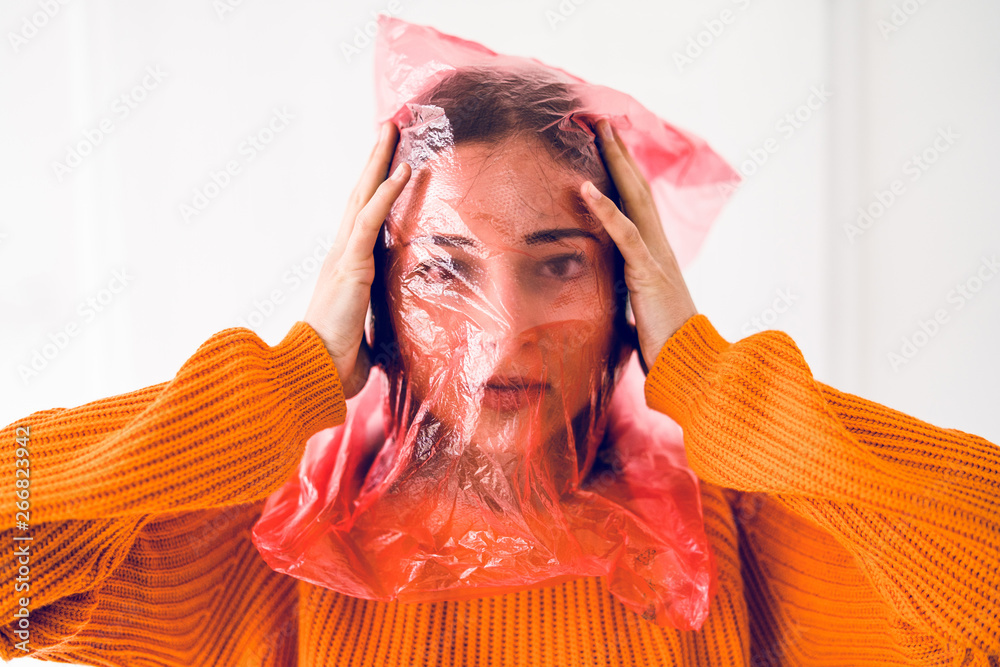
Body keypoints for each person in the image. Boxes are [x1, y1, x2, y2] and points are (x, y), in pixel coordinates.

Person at [2, 70, 999, 667]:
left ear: (628, 294)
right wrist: (287, 378)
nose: (505, 325)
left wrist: (709, 378)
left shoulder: (740, 536)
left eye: (558, 263)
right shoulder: (261, 549)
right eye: (446, 269)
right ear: (376, 297)